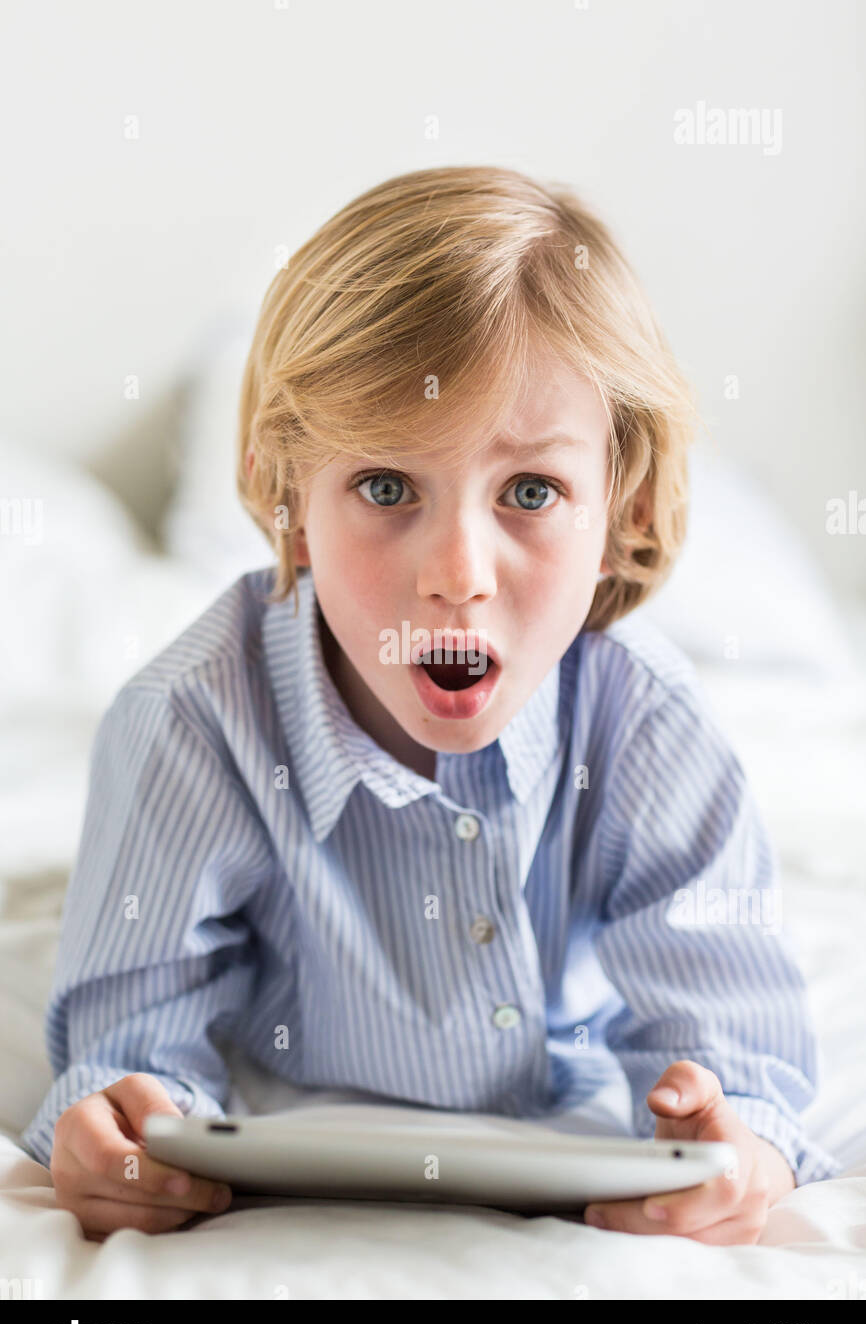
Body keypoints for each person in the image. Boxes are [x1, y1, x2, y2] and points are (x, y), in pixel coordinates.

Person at [19, 165, 840, 1243]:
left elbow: (738, 1050)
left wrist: (731, 1136)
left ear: (620, 507)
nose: (457, 571)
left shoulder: (650, 731)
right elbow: (131, 1046)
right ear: (289, 501)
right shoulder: (190, 724)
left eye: (530, 492)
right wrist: (120, 1122)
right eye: (387, 487)